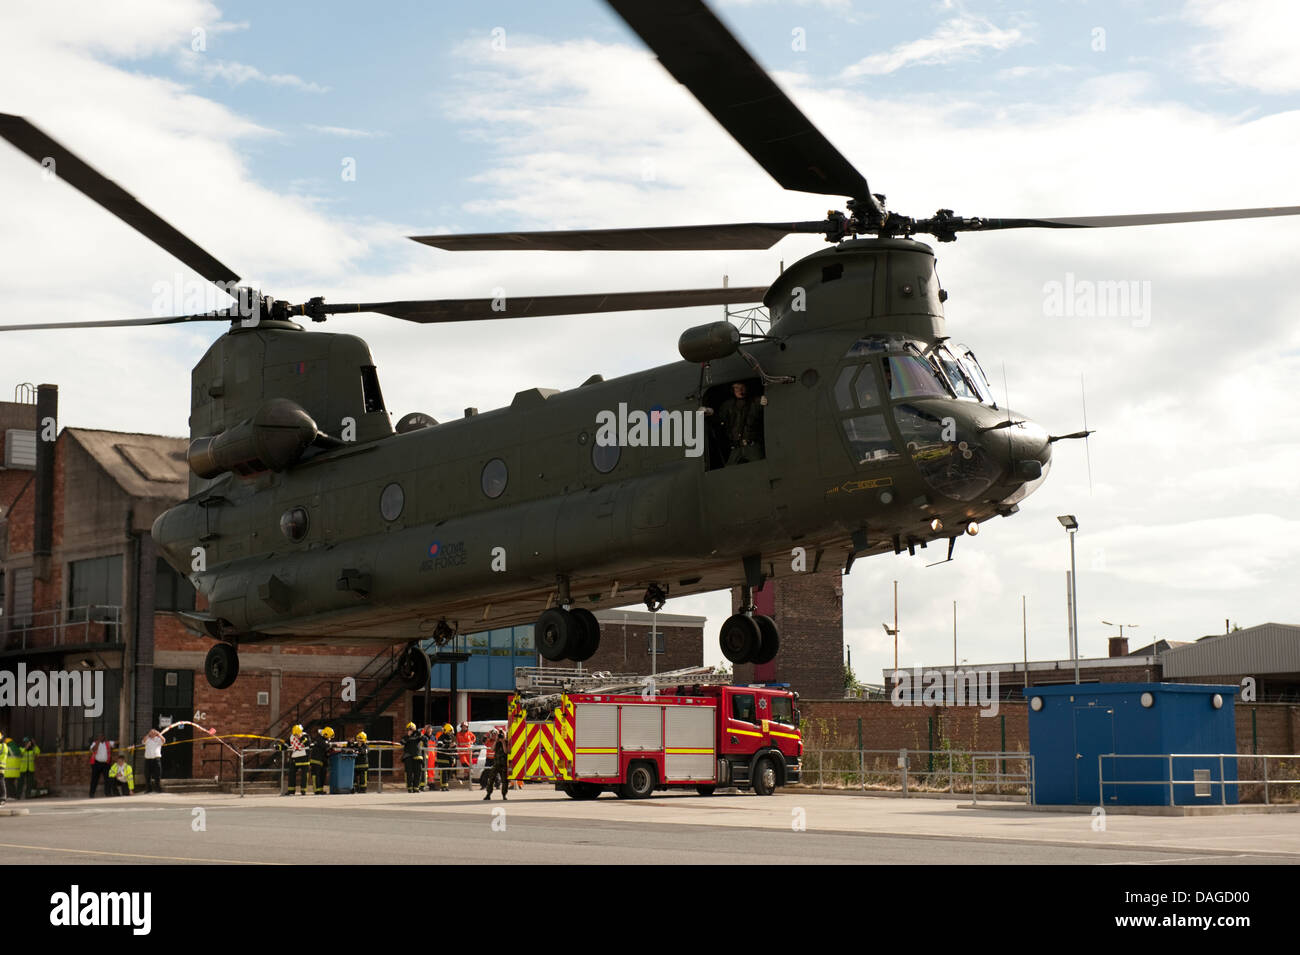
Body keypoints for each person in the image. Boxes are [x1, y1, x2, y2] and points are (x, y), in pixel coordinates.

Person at [707, 381, 766, 465]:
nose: (740, 390)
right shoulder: (728, 405)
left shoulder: (754, 401)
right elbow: (718, 418)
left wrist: (765, 399)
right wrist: (709, 412)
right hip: (736, 447)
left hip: (752, 445)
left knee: (761, 466)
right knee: (729, 470)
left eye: (742, 387)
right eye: (736, 388)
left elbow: (763, 404)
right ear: (732, 390)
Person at [482, 728, 509, 800]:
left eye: (501, 734)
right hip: (496, 764)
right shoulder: (496, 742)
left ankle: (504, 795)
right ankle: (488, 794)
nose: (500, 736)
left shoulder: (506, 742)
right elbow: (492, 749)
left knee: (504, 781)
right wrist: (496, 741)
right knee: (491, 779)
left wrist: (503, 742)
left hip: (503, 764)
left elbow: (506, 751)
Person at [309, 726, 336, 795]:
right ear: (326, 734)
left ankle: (320, 790)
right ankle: (317, 790)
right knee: (316, 776)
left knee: (322, 775)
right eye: (329, 737)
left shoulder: (324, 740)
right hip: (316, 761)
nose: (329, 739)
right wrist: (333, 745)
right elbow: (325, 746)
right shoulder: (319, 739)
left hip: (321, 761)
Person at [400, 722, 425, 793]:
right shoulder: (405, 737)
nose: (410, 730)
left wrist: (421, 735)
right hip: (408, 757)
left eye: (412, 729)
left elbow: (425, 740)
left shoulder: (418, 736)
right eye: (409, 729)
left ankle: (416, 787)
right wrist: (408, 736)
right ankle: (410, 788)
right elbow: (402, 742)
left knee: (418, 772)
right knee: (409, 773)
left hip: (417, 756)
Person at [286, 723, 310, 796]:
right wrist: (280, 746)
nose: (295, 736)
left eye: (297, 734)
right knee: (291, 774)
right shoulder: (292, 737)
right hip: (295, 757)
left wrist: (301, 738)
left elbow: (307, 743)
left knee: (304, 776)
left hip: (304, 757)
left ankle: (303, 791)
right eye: (295, 734)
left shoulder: (306, 736)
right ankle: (291, 791)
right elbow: (287, 744)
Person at [435, 722, 457, 791]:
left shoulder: (452, 737)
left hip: (450, 757)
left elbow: (454, 748)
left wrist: (454, 757)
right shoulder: (441, 737)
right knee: (443, 772)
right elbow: (440, 746)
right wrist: (448, 746)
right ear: (446, 730)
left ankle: (446, 786)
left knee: (448, 772)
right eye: (450, 731)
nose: (451, 733)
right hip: (442, 758)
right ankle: (443, 786)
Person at [142, 728, 165, 793]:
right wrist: (148, 735)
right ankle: (148, 789)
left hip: (156, 759)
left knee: (157, 774)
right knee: (147, 775)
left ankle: (158, 788)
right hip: (148, 759)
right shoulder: (147, 739)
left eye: (153, 732)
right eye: (151, 732)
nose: (152, 734)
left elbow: (164, 740)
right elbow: (143, 741)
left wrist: (159, 734)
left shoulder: (158, 739)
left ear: (155, 733)